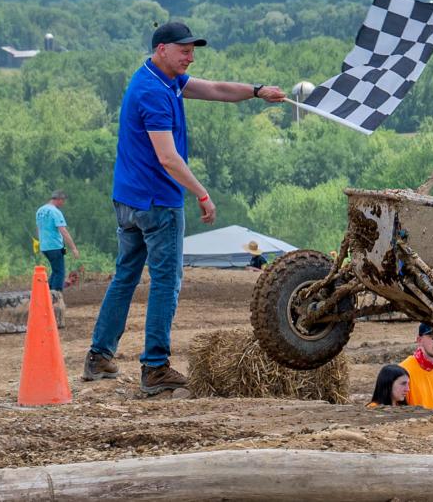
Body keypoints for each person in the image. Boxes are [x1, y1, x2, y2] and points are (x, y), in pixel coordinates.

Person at [83, 22, 286, 395]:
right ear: (162, 49)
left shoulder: (161, 78)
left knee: (126, 276)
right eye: (183, 50)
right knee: (166, 282)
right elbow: (167, 158)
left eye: (193, 50)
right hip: (157, 203)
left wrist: (257, 92)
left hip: (127, 199)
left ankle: (99, 356)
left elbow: (215, 89)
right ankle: (156, 367)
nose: (190, 56)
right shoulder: (154, 93)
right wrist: (202, 193)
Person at [35, 190, 80, 292]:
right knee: (60, 272)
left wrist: (41, 244)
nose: (63, 203)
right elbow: (63, 231)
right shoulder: (55, 212)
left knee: (55, 271)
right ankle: (56, 296)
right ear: (59, 199)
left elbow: (38, 229)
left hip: (45, 247)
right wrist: (73, 248)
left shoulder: (40, 211)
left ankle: (46, 294)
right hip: (55, 246)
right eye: (63, 201)